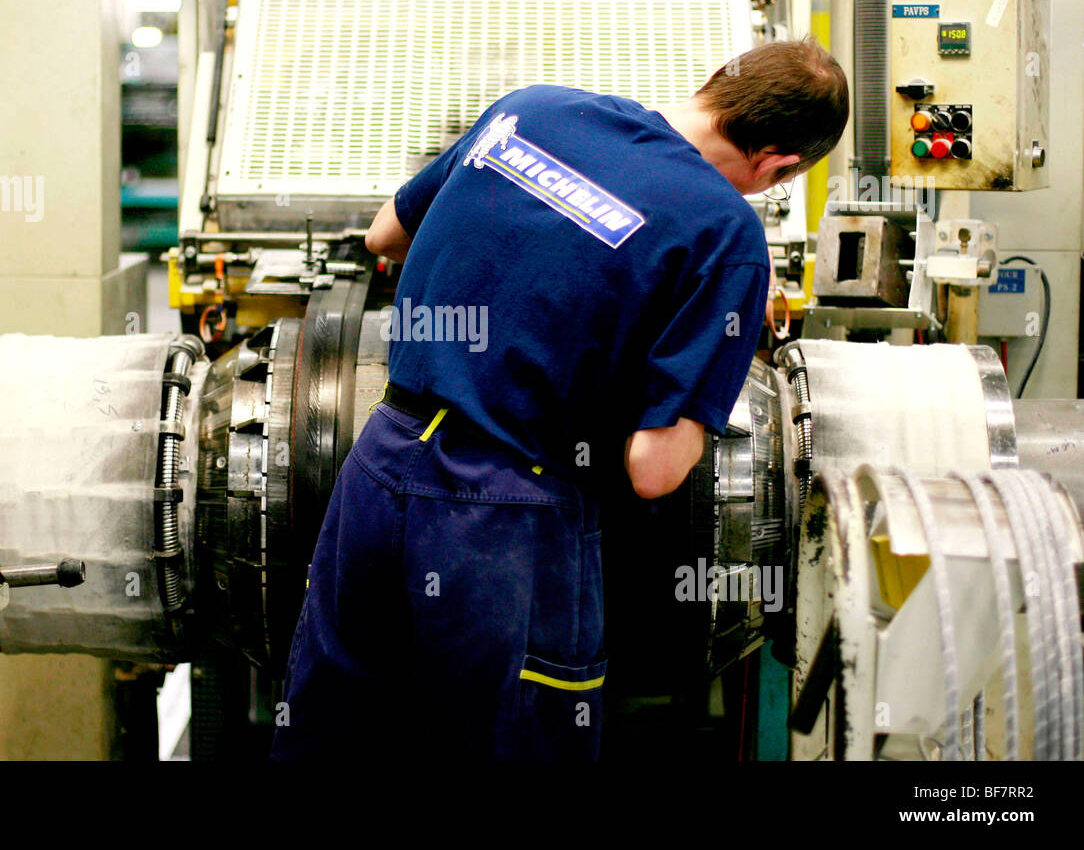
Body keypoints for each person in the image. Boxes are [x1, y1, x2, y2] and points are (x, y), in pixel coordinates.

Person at [270, 39, 849, 760]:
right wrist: (720, 345)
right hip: (508, 525)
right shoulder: (726, 236)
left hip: (379, 466)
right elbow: (653, 468)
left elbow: (383, 234)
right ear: (776, 165)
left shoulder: (532, 107)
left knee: (334, 733)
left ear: (713, 85)